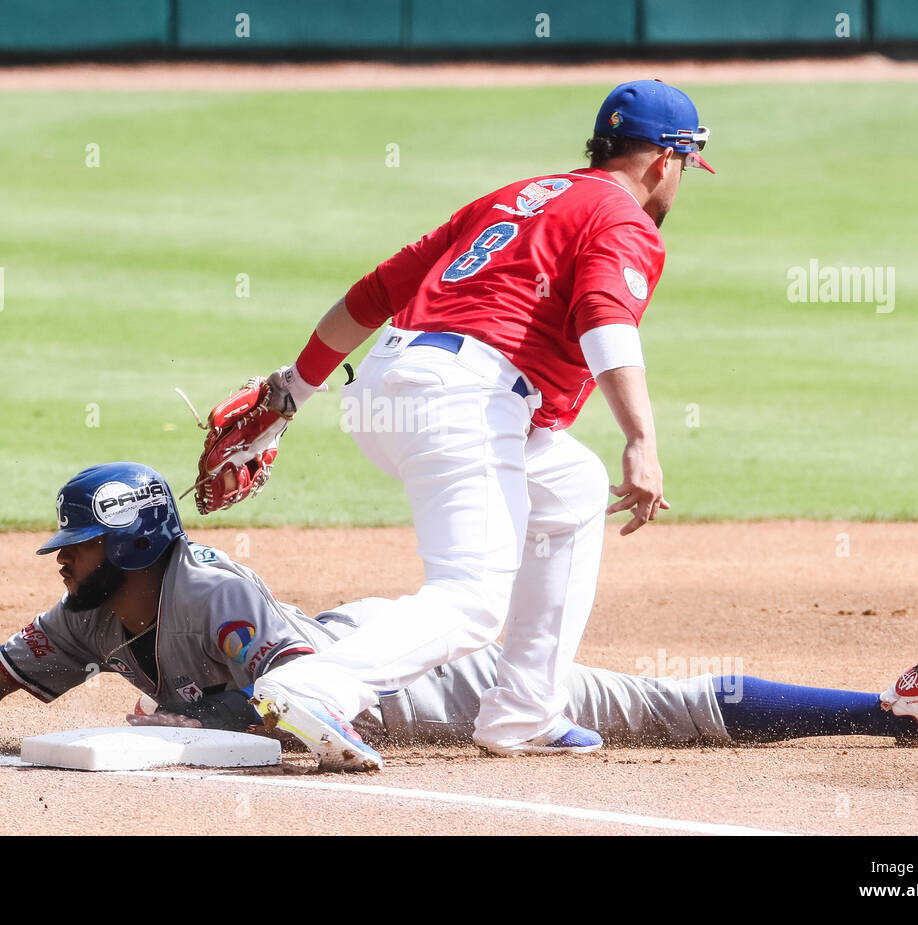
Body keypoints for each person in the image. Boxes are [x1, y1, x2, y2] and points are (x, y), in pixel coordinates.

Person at [0, 463, 918, 765]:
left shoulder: (212, 588)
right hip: (352, 641)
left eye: (78, 544)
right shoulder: (88, 619)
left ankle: (895, 709)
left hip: (410, 673)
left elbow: (291, 703)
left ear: (127, 544)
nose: (63, 561)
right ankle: (894, 707)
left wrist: (176, 728)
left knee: (648, 706)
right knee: (635, 705)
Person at [245, 79, 715, 767]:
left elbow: (375, 293)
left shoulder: (516, 197)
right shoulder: (625, 220)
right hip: (467, 398)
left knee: (574, 485)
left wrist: (294, 390)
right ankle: (315, 685)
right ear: (663, 161)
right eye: (684, 169)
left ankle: (526, 710)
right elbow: (604, 318)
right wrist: (642, 438)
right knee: (469, 599)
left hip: (391, 387)